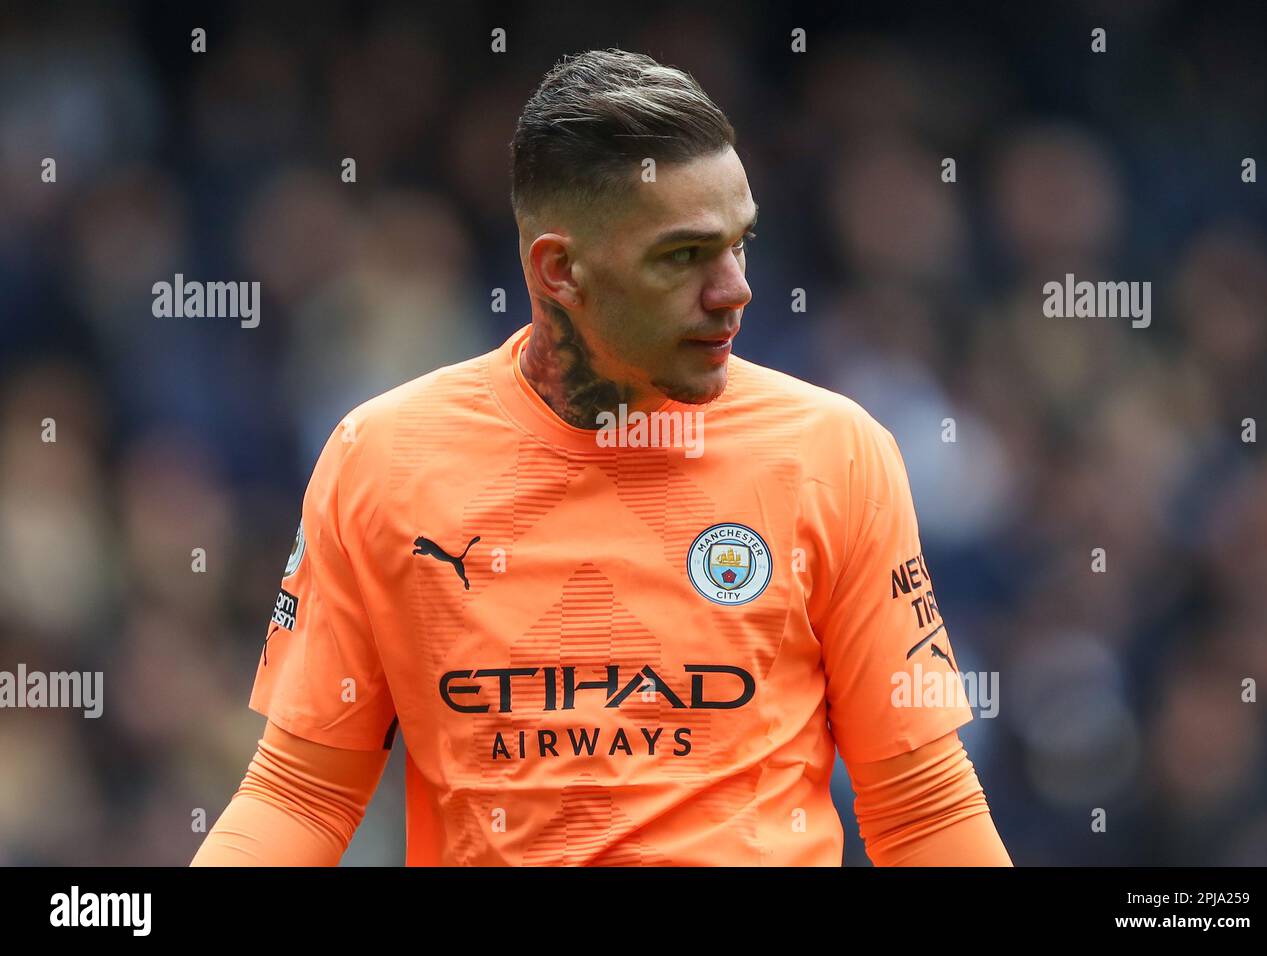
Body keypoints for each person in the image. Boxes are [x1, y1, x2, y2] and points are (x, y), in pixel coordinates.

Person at [192, 48, 1011, 867]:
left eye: (740, 244)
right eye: (684, 256)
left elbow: (922, 807)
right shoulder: (383, 460)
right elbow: (302, 793)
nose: (735, 290)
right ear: (561, 272)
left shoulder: (834, 455)